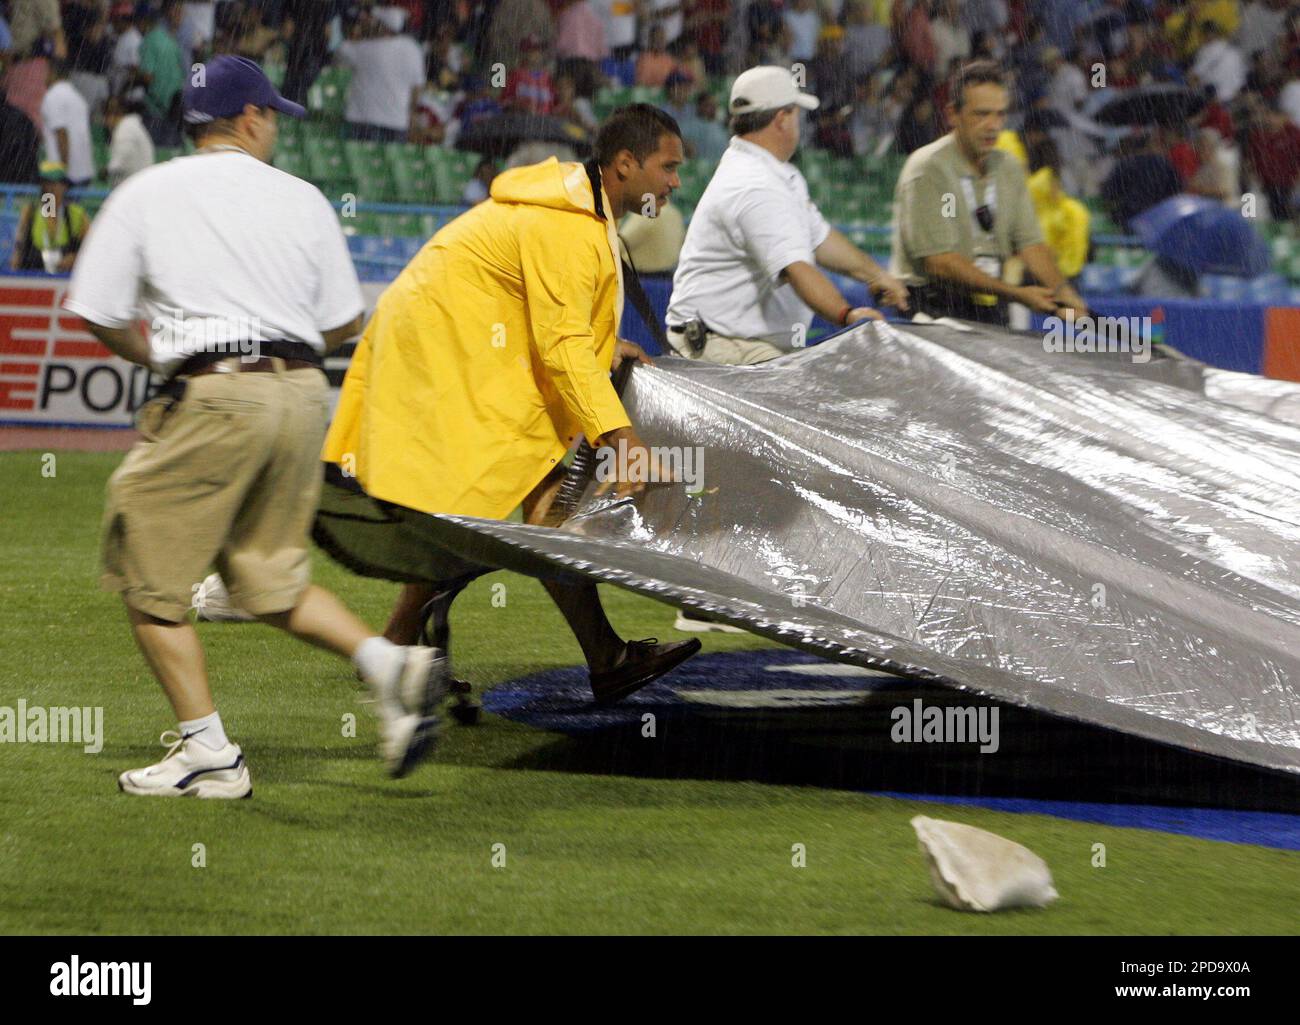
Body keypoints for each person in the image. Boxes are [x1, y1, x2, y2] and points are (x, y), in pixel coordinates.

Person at [64, 56, 448, 796]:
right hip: (301, 393)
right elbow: (343, 320)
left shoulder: (148, 190)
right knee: (264, 577)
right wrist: (279, 353)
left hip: (218, 392)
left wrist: (166, 359)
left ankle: (209, 753)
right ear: (248, 118)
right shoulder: (303, 198)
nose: (274, 126)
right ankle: (390, 663)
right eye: (271, 114)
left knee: (147, 574)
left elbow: (97, 309)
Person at [318, 104, 702, 706]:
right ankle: (604, 660)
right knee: (512, 500)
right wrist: (622, 442)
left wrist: (607, 345)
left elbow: (560, 324)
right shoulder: (570, 225)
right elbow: (564, 346)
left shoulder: (581, 214)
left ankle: (402, 647)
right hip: (444, 355)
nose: (675, 183)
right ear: (625, 164)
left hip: (458, 348)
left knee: (480, 507)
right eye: (668, 167)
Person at [666, 65, 908, 367]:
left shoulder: (775, 172)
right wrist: (847, 314)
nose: (799, 123)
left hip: (739, 343)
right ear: (782, 119)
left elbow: (820, 239)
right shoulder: (754, 183)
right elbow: (796, 269)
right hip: (722, 347)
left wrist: (877, 275)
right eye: (796, 114)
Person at [890, 59, 1088, 326]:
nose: (993, 125)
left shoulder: (1009, 168)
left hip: (991, 308)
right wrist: (1017, 294)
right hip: (931, 312)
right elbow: (940, 263)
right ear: (952, 115)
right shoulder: (929, 168)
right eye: (981, 114)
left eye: (999, 114)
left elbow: (1030, 244)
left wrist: (1064, 293)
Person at [335, 5, 424, 142]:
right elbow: (417, 89)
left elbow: (339, 52)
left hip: (363, 120)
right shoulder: (413, 49)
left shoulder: (365, 48)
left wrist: (360, 32)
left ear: (382, 26)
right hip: (397, 122)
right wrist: (410, 113)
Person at [8, 161, 90, 272]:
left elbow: (92, 250)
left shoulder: (77, 214)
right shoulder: (29, 212)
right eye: (45, 183)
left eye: (54, 183)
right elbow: (18, 250)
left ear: (64, 186)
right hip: (35, 276)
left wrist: (76, 258)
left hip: (65, 279)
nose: (49, 188)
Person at [136, 0, 186, 146]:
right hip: (174, 109)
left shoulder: (149, 40)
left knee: (155, 157)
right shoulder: (170, 41)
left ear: (142, 21)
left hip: (155, 109)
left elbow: (148, 76)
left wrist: (132, 76)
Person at [39, 59, 95, 187]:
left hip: (61, 174)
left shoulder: (52, 96)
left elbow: (61, 133)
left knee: (49, 206)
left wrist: (62, 171)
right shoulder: (78, 98)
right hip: (84, 170)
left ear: (52, 73)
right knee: (71, 207)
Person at [104, 92, 156, 185]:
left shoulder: (125, 129)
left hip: (135, 184)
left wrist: (108, 171)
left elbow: (123, 154)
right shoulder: (131, 126)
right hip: (139, 181)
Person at [0, 94, 41, 185]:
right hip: (24, 182)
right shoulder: (20, 117)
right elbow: (34, 144)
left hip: (12, 179)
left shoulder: (16, 118)